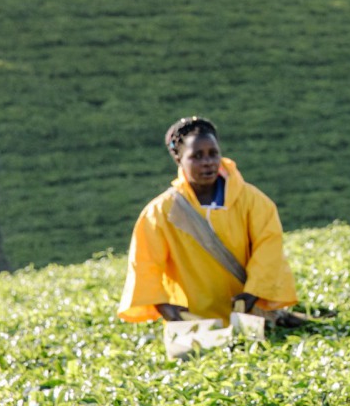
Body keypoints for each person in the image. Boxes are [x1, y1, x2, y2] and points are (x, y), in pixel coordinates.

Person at [118, 116, 299, 325]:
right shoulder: (160, 212)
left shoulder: (253, 201)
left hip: (249, 315)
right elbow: (145, 264)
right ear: (178, 158)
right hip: (194, 321)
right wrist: (165, 307)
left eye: (213, 154)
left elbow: (269, 248)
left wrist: (253, 293)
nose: (208, 162)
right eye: (197, 156)